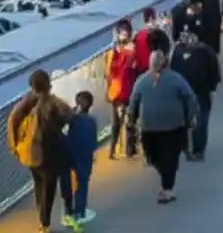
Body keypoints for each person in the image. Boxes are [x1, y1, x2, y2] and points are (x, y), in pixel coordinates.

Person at [127, 50, 199, 204]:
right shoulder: (171, 79)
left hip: (159, 127)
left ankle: (167, 188)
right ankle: (167, 179)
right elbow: (190, 97)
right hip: (164, 126)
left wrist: (131, 120)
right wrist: (190, 117)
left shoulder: (146, 80)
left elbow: (133, 102)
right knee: (164, 157)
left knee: (161, 157)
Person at [6, 69, 74, 233]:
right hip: (50, 154)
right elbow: (67, 115)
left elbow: (13, 121)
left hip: (30, 153)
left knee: (38, 183)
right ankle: (45, 222)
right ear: (48, 85)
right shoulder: (52, 104)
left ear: (32, 87)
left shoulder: (25, 104)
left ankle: (42, 219)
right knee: (48, 188)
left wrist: (15, 147)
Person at [170, 28, 222, 161]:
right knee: (202, 120)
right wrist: (212, 87)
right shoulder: (207, 51)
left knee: (186, 120)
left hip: (184, 93)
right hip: (202, 91)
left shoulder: (177, 53)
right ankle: (198, 149)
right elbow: (214, 72)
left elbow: (172, 72)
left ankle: (187, 146)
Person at [63, 91, 99, 230]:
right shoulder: (91, 121)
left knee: (69, 184)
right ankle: (80, 212)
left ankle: (68, 212)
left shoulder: (72, 119)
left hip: (71, 154)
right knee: (82, 184)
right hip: (85, 156)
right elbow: (93, 142)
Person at [104, 19, 138, 159]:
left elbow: (108, 73)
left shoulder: (115, 51)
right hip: (123, 91)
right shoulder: (121, 50)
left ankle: (116, 150)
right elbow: (108, 73)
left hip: (120, 91)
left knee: (120, 122)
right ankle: (126, 149)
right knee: (125, 122)